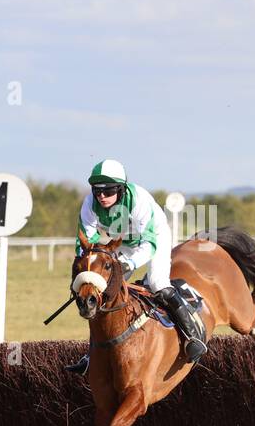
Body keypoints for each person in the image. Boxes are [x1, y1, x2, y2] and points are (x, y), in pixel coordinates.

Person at [65, 159, 205, 375]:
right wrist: (87, 275)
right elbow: (84, 245)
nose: (101, 195)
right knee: (103, 291)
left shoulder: (138, 200)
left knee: (158, 283)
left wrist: (127, 264)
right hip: (121, 243)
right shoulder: (89, 204)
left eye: (108, 190)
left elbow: (148, 244)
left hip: (153, 238)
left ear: (120, 189)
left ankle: (192, 338)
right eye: (97, 190)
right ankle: (92, 354)